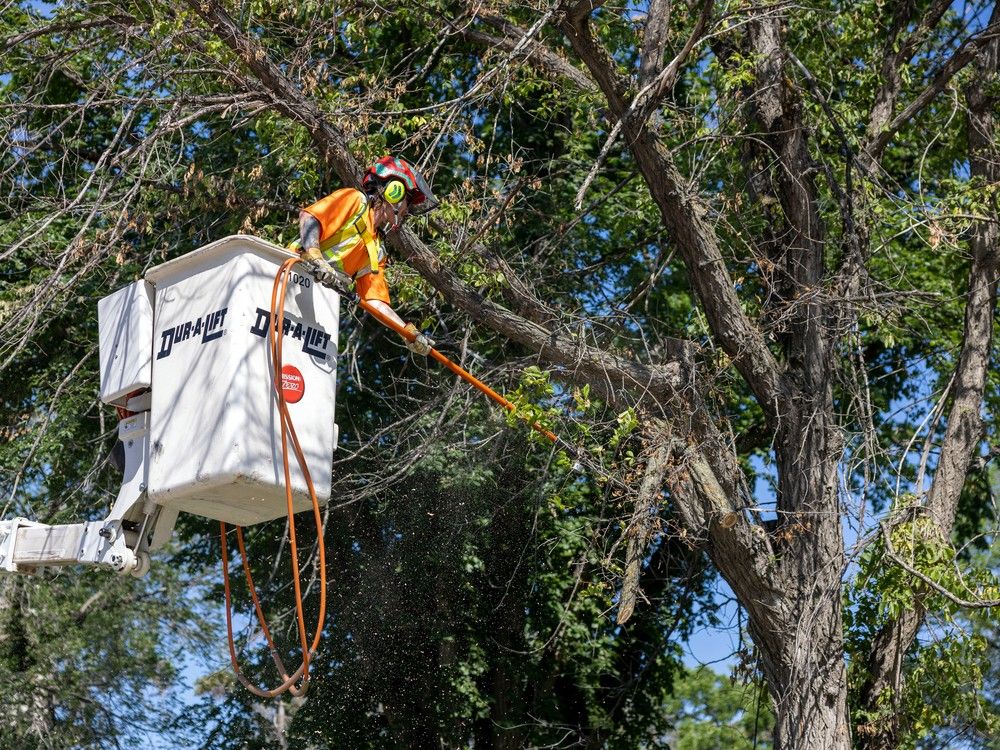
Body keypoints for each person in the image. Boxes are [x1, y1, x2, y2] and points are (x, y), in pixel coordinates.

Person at [294, 156, 438, 355]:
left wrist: (405, 331)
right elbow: (309, 217)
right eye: (408, 201)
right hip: (288, 276)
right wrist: (315, 255)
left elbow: (374, 301)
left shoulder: (377, 250)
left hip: (313, 305)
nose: (408, 210)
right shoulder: (354, 201)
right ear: (394, 191)